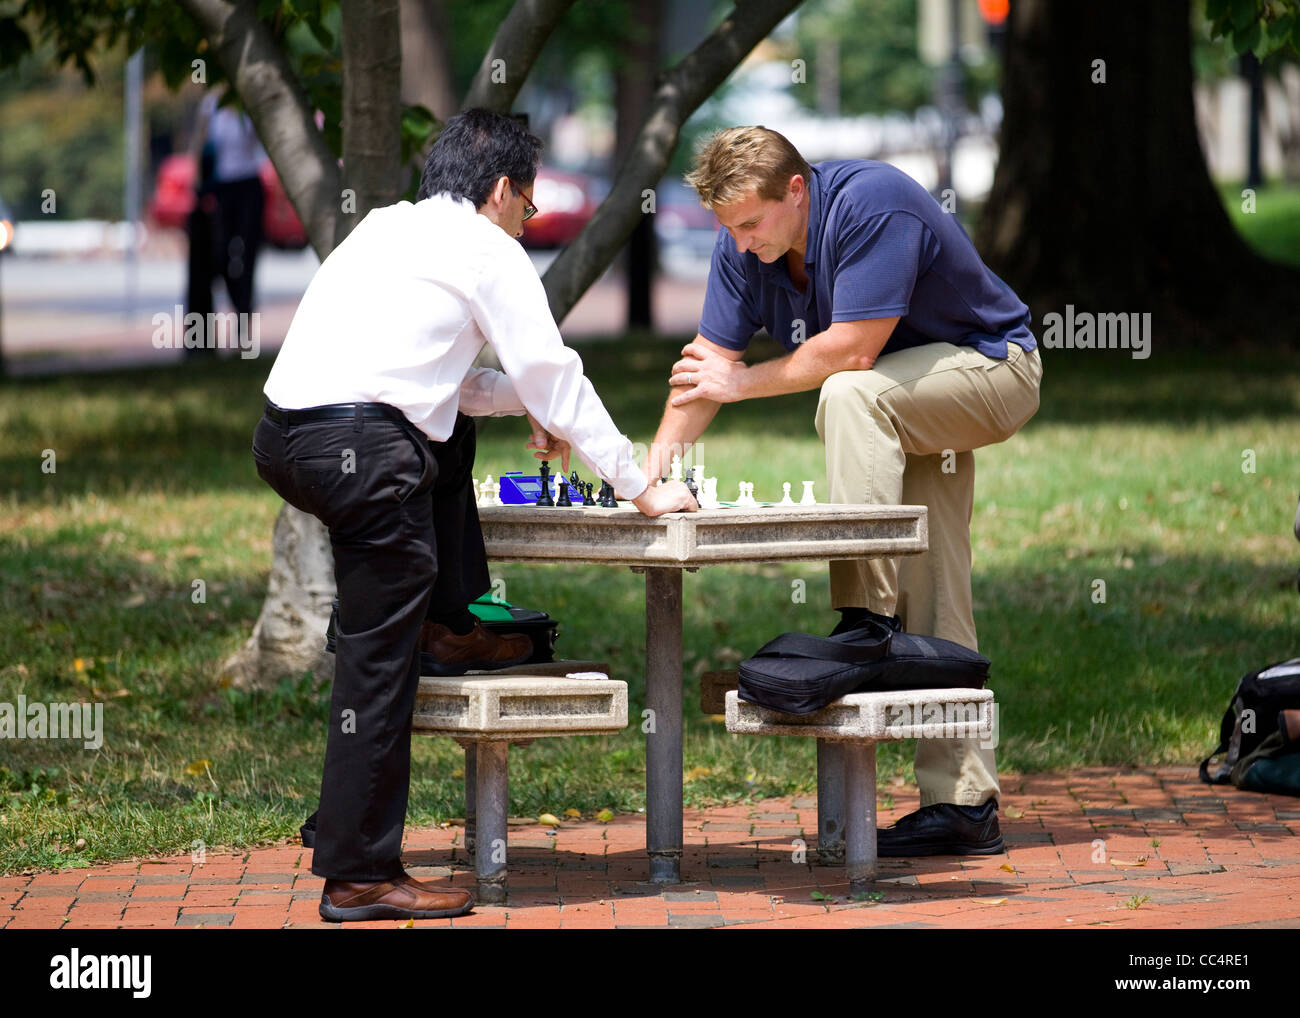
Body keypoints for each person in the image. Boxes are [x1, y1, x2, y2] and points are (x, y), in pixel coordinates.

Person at [252, 108, 696, 922]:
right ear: (501, 191)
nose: (526, 225)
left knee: (399, 562)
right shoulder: (489, 249)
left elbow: (432, 381)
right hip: (360, 447)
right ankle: (357, 875)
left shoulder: (391, 226)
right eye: (528, 209)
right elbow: (553, 371)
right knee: (378, 667)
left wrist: (530, 402)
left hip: (286, 438)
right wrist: (640, 486)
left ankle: (440, 625)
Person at [644, 126, 1042, 856]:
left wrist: (742, 384)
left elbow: (853, 350)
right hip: (906, 398)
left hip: (993, 368)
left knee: (851, 394)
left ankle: (863, 620)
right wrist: (648, 479)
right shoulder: (744, 246)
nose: (737, 244)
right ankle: (964, 805)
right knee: (936, 582)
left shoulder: (872, 204)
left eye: (750, 224)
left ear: (795, 191)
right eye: (726, 228)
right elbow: (705, 371)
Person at [186, 89, 265, 356]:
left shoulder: (249, 104)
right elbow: (198, 146)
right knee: (219, 258)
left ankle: (244, 330)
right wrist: (198, 189)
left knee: (246, 260)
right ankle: (236, 311)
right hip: (222, 189)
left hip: (248, 188)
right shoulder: (211, 105)